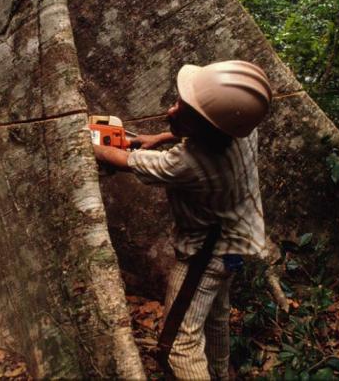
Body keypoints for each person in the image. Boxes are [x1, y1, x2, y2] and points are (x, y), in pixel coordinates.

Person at [93, 60, 272, 380]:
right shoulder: (242, 128)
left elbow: (124, 160)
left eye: (183, 111)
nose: (171, 112)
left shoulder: (188, 162)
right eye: (178, 103)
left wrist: (89, 142)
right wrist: (160, 137)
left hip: (207, 254)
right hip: (239, 242)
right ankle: (220, 374)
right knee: (214, 316)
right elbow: (203, 131)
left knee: (179, 342)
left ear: (206, 128)